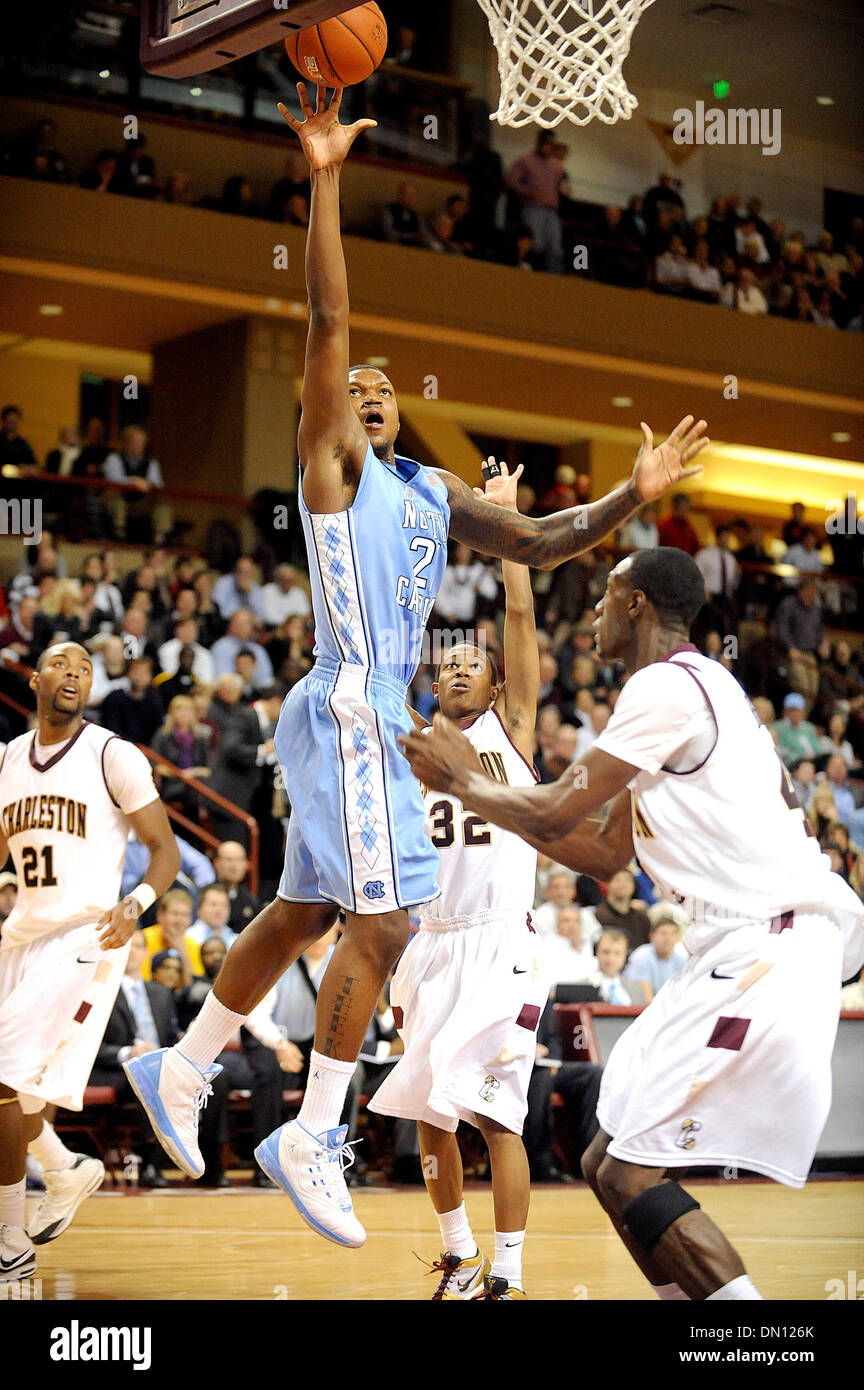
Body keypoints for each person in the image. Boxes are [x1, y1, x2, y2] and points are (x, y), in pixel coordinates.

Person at [124, 85, 708, 1249]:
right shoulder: (331, 467)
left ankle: (180, 1067)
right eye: (357, 393)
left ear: (407, 420)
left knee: (302, 908)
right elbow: (330, 320)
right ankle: (314, 1126)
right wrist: (328, 179)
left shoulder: (434, 496)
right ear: (336, 413)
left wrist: (626, 501)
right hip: (350, 693)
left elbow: (542, 541)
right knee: (386, 924)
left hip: (355, 710)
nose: (371, 401)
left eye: (390, 396)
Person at [402, 546, 864, 1301]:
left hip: (767, 940)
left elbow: (554, 810)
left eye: (604, 596)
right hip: (730, 945)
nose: (592, 610)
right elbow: (599, 853)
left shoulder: (667, 685)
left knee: (627, 1169)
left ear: (638, 604)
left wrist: (464, 781)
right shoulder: (675, 699)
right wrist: (480, 796)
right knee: (603, 1162)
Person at [366, 462, 551, 1299]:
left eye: (472, 665)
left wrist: (507, 523)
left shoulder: (513, 730)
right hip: (430, 947)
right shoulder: (414, 742)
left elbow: (518, 610)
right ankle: (460, 1256)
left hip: (501, 942)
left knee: (496, 1112)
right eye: (446, 666)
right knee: (430, 1117)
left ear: (499, 685)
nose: (457, 670)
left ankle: (509, 1275)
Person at [0, 642, 179, 1278]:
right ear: (34, 678)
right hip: (20, 937)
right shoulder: (9, 760)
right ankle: (63, 1165)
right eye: (60, 664)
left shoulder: (112, 753)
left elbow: (166, 852)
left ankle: (10, 1238)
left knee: (3, 1077)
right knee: (15, 1088)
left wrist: (136, 902)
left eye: (84, 667)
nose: (73, 673)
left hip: (86, 937)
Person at [624, 912, 688, 1000]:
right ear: (652, 936)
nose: (668, 939)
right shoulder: (642, 955)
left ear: (678, 938)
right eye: (663, 933)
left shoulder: (682, 959)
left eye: (672, 934)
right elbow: (645, 999)